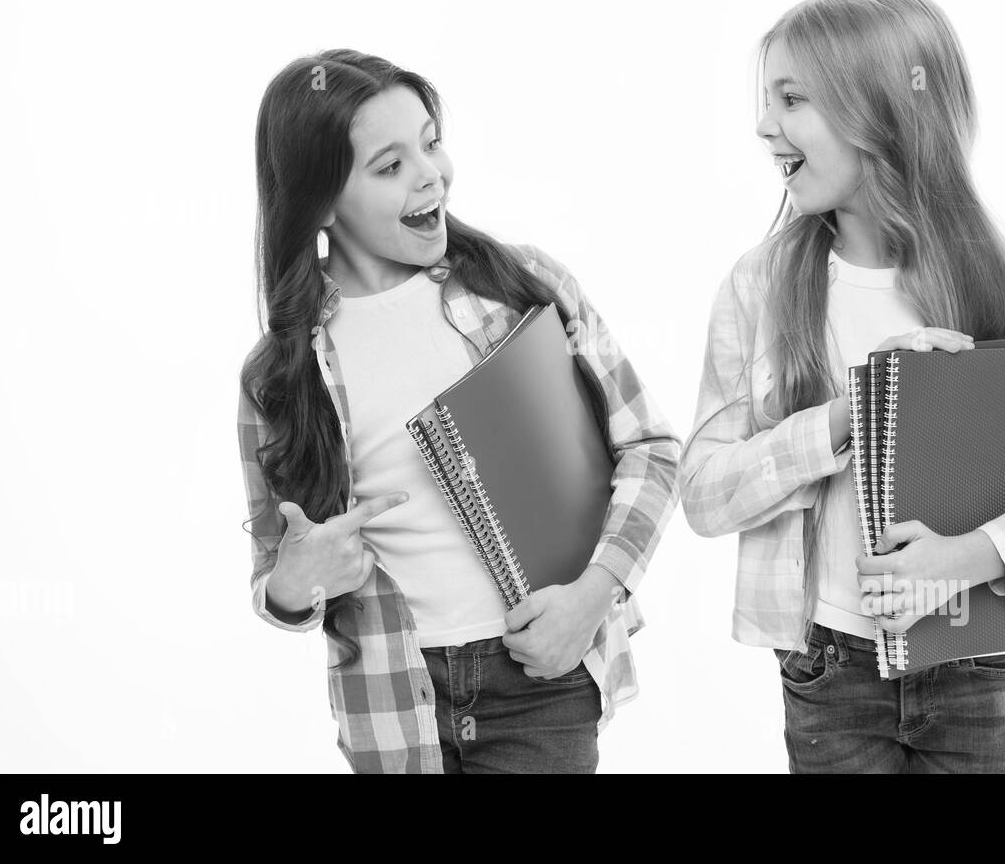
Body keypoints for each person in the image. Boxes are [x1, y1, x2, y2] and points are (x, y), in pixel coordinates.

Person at [677, 0, 1005, 773]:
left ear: (883, 111)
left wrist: (971, 554)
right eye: (766, 100)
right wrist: (846, 413)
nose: (764, 126)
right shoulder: (760, 288)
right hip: (832, 671)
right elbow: (703, 491)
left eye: (792, 99)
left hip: (979, 664)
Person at [237, 49, 680, 773]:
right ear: (320, 202)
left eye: (431, 140)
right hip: (390, 701)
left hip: (537, 680)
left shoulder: (521, 286)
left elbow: (654, 448)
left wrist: (592, 598)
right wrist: (298, 578)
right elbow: (274, 583)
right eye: (389, 166)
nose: (431, 174)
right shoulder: (280, 375)